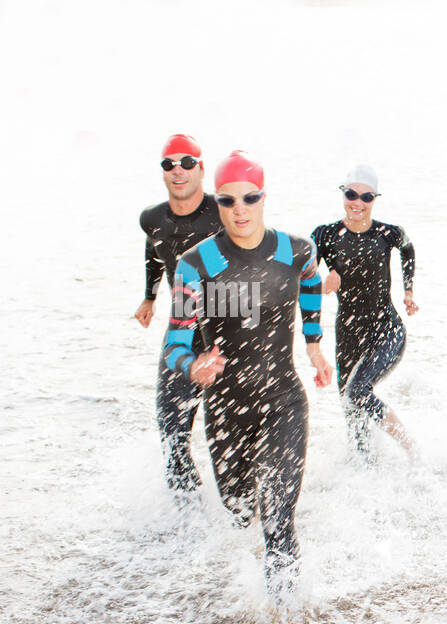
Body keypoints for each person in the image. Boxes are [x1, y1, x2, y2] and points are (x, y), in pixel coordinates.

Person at [164, 151, 332, 591]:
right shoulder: (195, 265)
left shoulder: (296, 250)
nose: (239, 209)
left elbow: (311, 283)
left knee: (278, 518)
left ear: (263, 198)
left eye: (249, 198)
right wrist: (192, 363)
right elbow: (174, 344)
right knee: (241, 512)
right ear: (217, 202)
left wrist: (313, 342)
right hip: (226, 406)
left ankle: (284, 623)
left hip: (283, 398)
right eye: (228, 201)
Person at [136, 133, 224, 496]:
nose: (178, 170)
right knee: (171, 433)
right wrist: (148, 297)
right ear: (163, 172)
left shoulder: (224, 210)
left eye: (187, 163)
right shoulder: (152, 218)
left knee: (229, 437)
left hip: (226, 326)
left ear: (201, 169)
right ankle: (187, 527)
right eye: (169, 164)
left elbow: (256, 249)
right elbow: (154, 249)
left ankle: (239, 517)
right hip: (183, 329)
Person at [312, 165, 418, 459]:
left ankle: (412, 449)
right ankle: (366, 470)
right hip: (347, 334)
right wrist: (323, 285)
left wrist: (408, 290)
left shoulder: (388, 233)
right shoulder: (325, 236)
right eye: (351, 194)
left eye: (366, 197)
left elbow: (408, 249)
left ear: (375, 199)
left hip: (388, 330)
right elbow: (300, 276)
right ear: (343, 194)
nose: (357, 203)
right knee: (350, 407)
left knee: (358, 392)